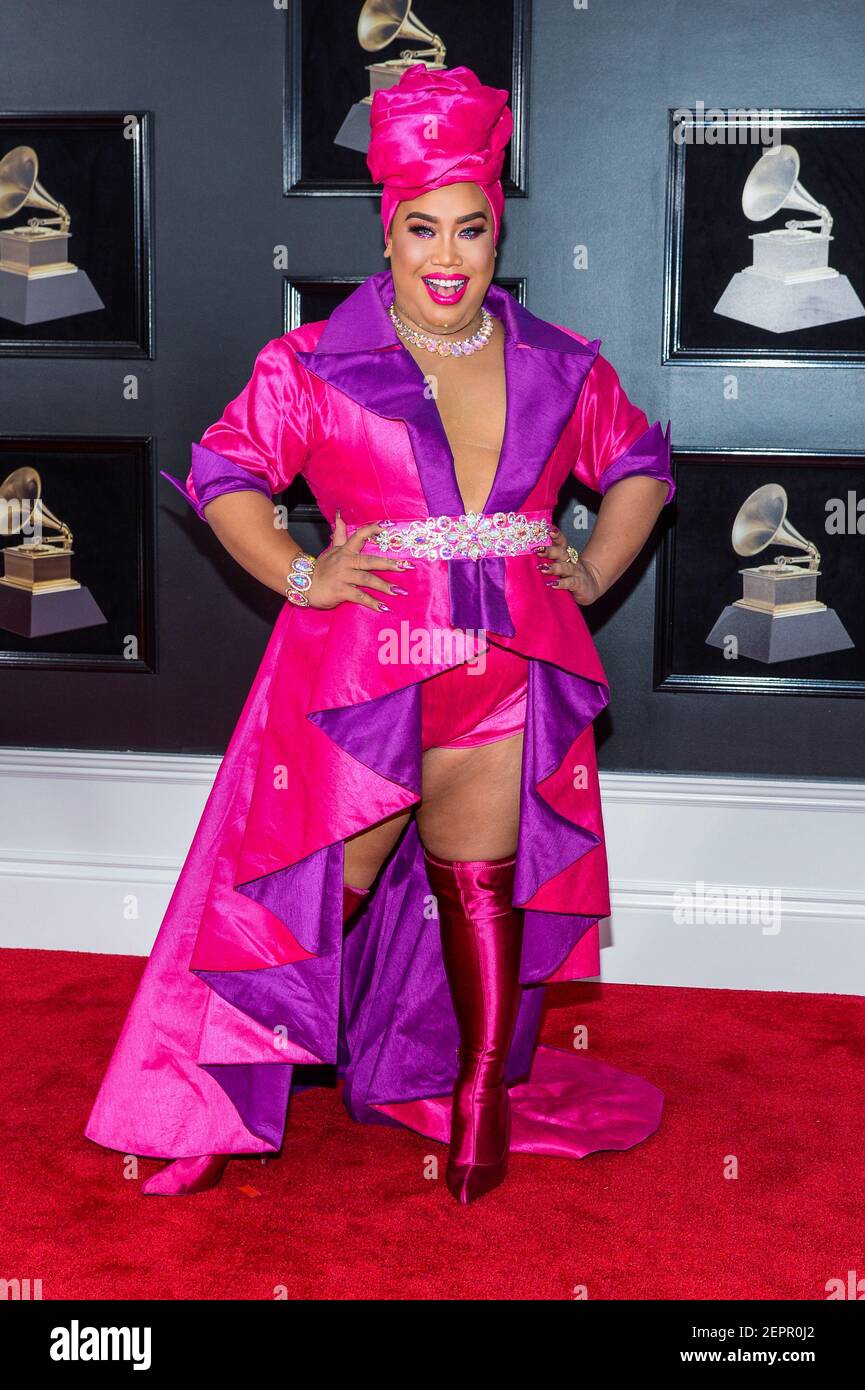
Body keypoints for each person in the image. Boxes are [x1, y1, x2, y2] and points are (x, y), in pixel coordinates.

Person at [84, 65, 676, 1205]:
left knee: (480, 890)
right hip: (361, 678)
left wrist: (593, 569)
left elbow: (640, 464)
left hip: (502, 676)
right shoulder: (311, 364)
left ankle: (476, 1100)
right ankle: (219, 1099)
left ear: (497, 228)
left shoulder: (561, 362)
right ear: (387, 232)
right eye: (420, 229)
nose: (446, 256)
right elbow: (226, 477)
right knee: (305, 896)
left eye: (470, 227)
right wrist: (301, 572)